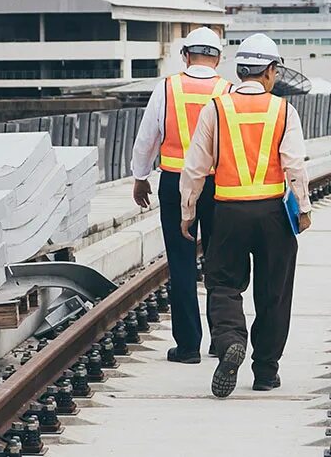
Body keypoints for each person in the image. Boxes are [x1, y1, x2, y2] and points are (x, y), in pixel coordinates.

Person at [179, 33, 312, 398]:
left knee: (222, 285)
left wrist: (188, 211)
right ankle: (266, 371)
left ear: (239, 71)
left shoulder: (215, 109)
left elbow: (194, 167)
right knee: (274, 291)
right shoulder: (284, 110)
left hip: (227, 213)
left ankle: (230, 341)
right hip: (272, 213)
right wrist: (303, 208)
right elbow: (295, 165)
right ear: (270, 71)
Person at [129, 26, 230, 364]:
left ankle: (188, 347)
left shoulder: (167, 88)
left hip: (175, 183)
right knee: (220, 262)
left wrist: (140, 177)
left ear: (185, 55)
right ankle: (221, 339)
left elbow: (147, 139)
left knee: (182, 263)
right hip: (218, 186)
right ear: (218, 58)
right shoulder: (227, 92)